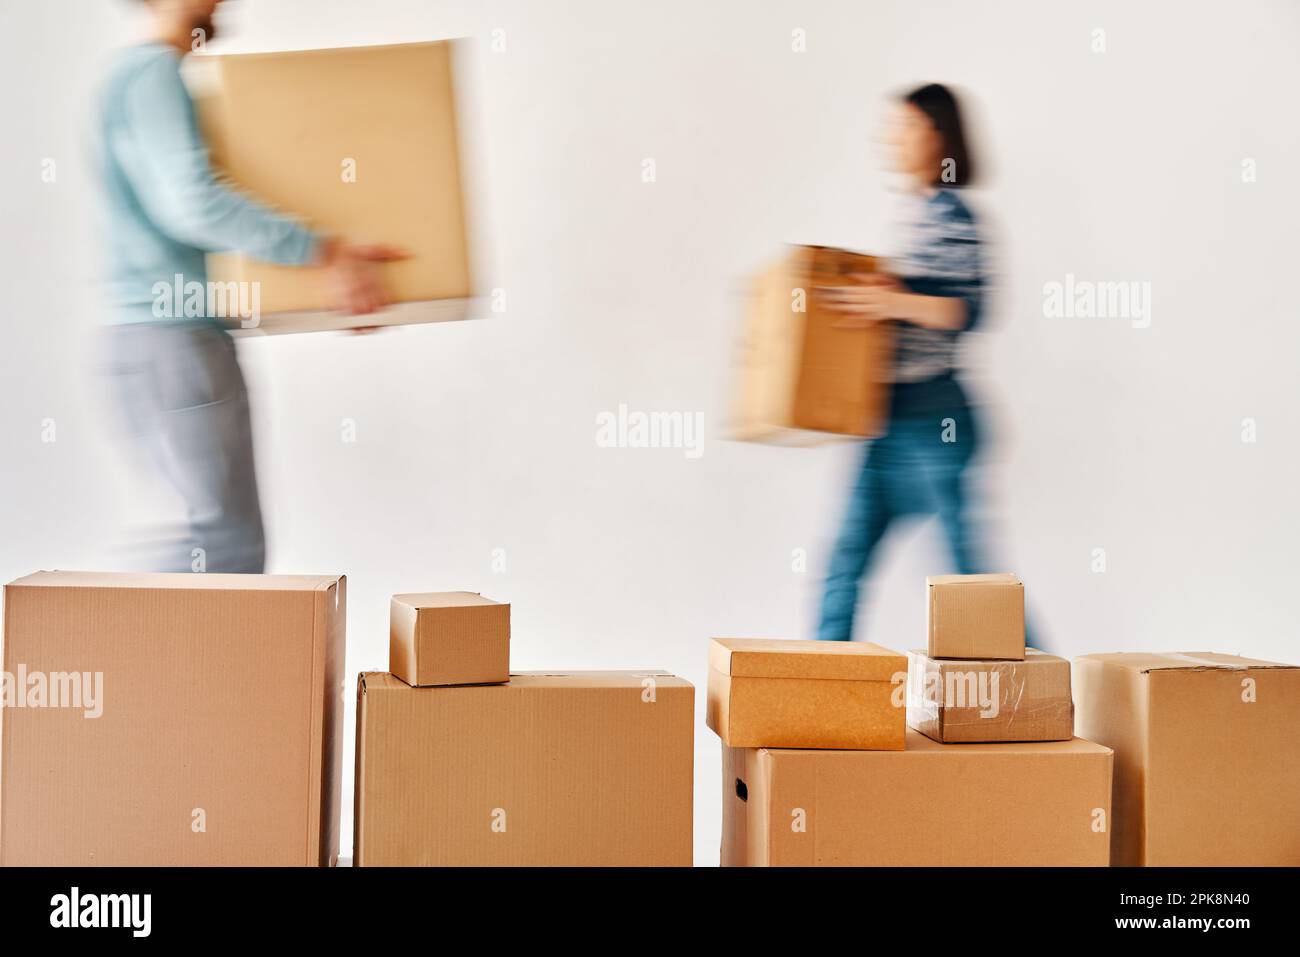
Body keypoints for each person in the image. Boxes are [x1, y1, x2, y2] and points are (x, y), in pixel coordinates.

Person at [97, 0, 402, 572]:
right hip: (175, 338)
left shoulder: (131, 78)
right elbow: (194, 202)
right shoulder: (153, 72)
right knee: (223, 548)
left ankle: (108, 642)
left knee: (214, 542)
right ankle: (95, 639)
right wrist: (326, 251)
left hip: (152, 338)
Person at [816, 83, 1019, 643]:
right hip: (888, 423)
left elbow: (967, 309)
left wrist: (892, 299)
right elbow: (924, 297)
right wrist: (891, 292)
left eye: (906, 128)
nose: (893, 140)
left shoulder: (954, 213)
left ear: (938, 136)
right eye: (891, 129)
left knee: (974, 583)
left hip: (935, 424)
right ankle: (813, 708)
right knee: (844, 567)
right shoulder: (918, 214)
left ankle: (1057, 698)